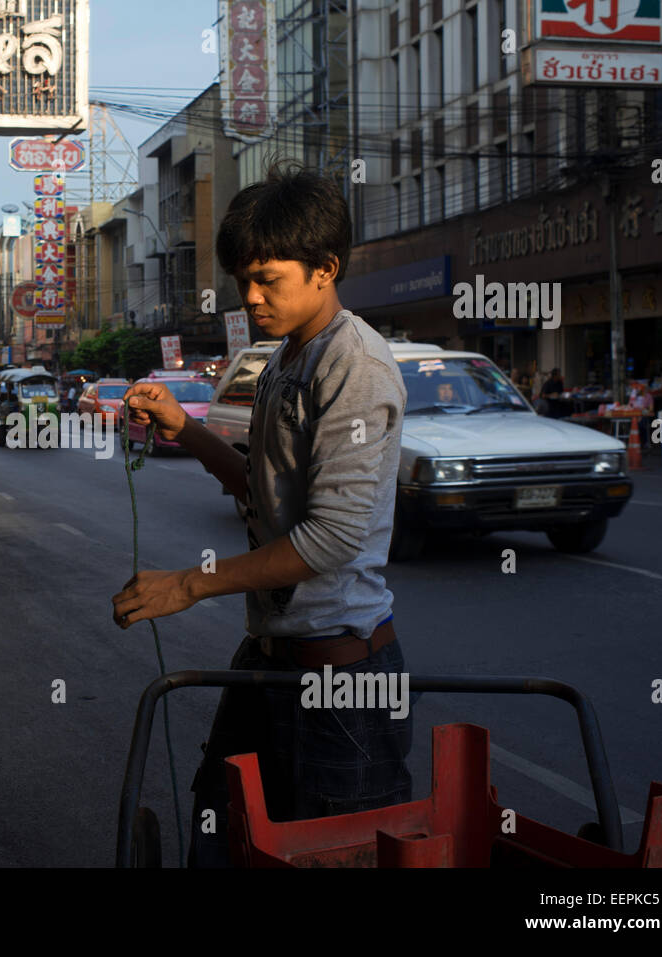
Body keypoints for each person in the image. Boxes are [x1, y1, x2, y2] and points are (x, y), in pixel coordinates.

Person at [113, 164, 411, 867]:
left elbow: (333, 536)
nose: (250, 296)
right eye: (243, 278)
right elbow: (261, 487)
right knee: (223, 830)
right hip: (272, 659)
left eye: (267, 279)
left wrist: (186, 585)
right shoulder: (285, 359)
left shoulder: (355, 365)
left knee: (331, 853)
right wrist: (182, 426)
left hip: (342, 678)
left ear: (324, 268)